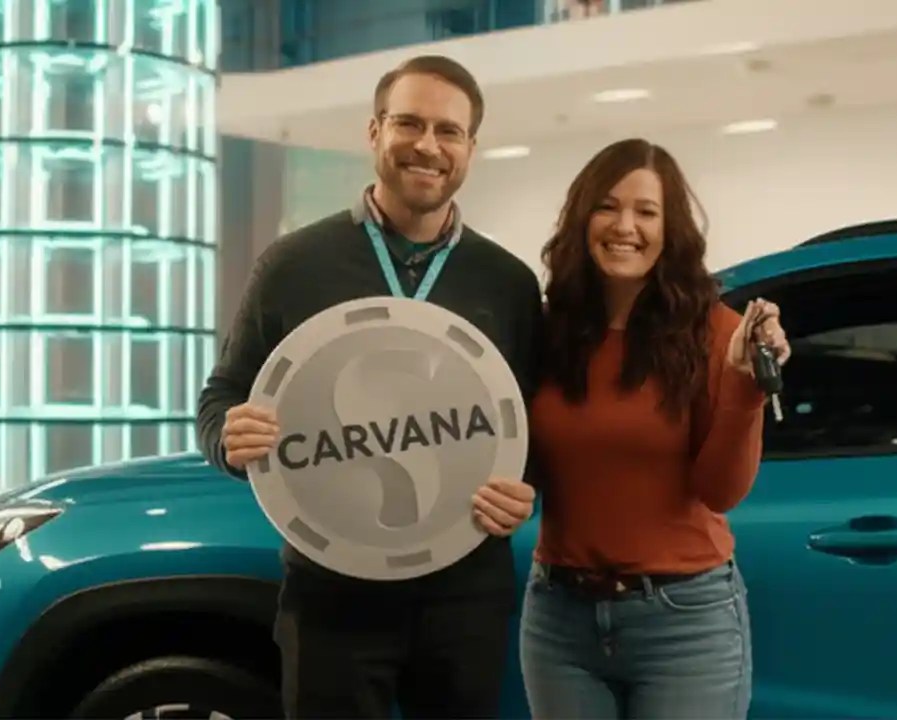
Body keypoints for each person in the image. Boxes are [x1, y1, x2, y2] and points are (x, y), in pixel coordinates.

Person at [195, 55, 543, 719]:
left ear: (471, 147)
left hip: (464, 594)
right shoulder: (294, 265)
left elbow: (533, 427)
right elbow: (220, 398)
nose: (427, 145)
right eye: (408, 123)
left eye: (449, 130)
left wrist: (526, 490)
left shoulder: (508, 282)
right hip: (332, 596)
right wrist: (227, 438)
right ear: (374, 131)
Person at [518, 138, 790, 719]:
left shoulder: (717, 333)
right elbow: (525, 461)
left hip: (684, 623)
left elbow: (722, 492)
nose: (625, 227)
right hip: (558, 618)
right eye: (607, 207)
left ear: (672, 231)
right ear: (581, 217)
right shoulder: (548, 331)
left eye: (646, 212)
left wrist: (745, 387)